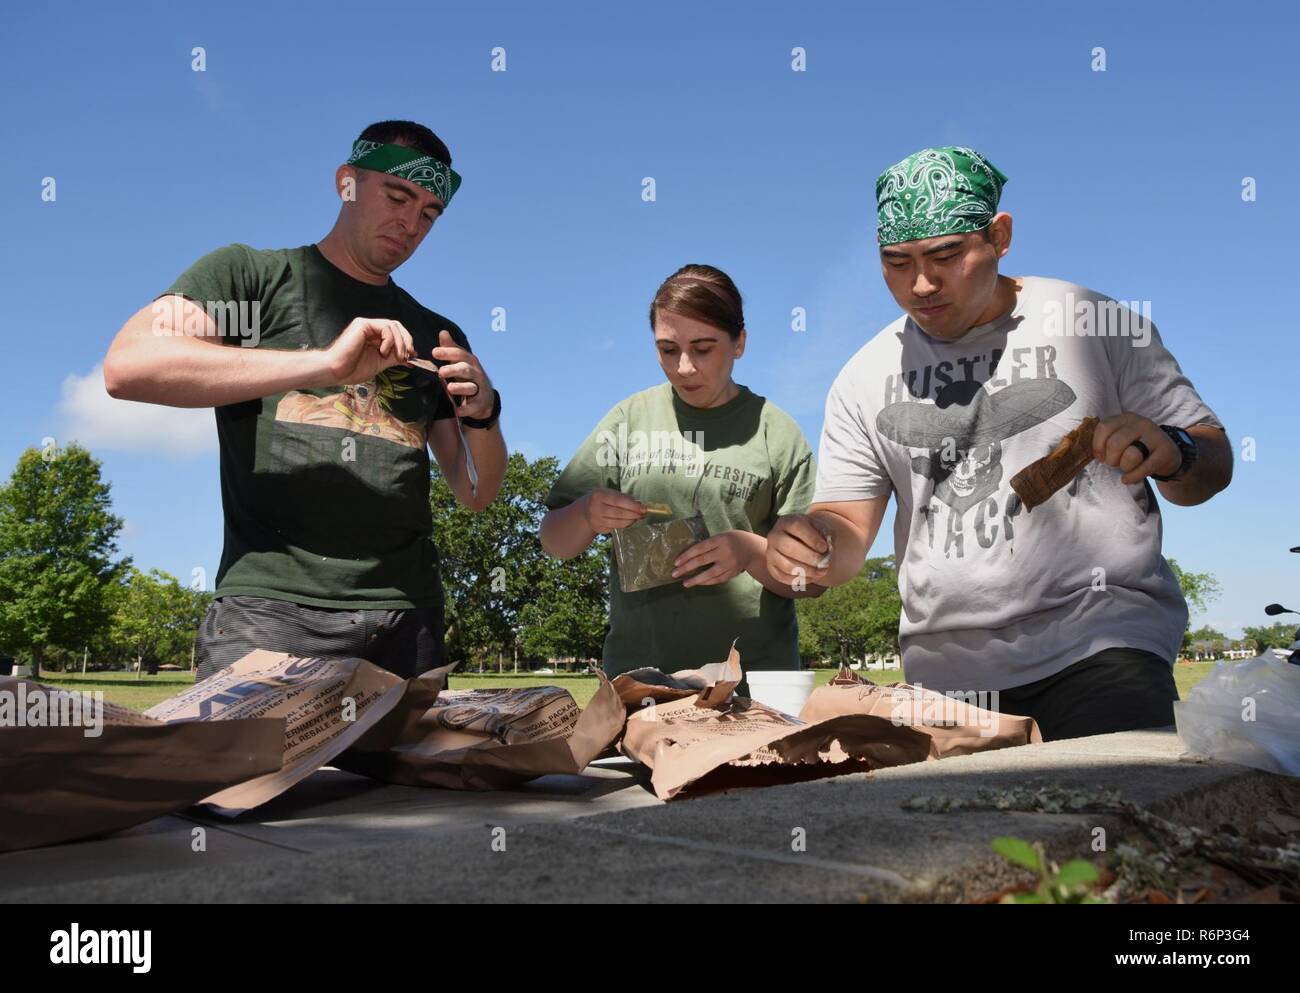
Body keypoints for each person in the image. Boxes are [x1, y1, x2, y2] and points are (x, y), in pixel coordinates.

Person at [766, 146, 1232, 740]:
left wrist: (1176, 450)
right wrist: (814, 545)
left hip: (1102, 644)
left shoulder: (1094, 321)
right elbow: (847, 530)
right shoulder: (862, 376)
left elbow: (1212, 461)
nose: (922, 284)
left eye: (946, 255)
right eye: (896, 262)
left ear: (1000, 236)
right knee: (953, 834)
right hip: (944, 673)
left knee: (1117, 824)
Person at [103, 120, 506, 680]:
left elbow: (476, 491)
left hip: (407, 617)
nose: (411, 223)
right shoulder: (250, 277)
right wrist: (326, 364)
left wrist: (485, 413)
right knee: (248, 773)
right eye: (397, 196)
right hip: (270, 609)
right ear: (347, 183)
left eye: (430, 214)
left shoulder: (436, 331)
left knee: (409, 775)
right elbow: (130, 365)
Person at [540, 264, 821, 681]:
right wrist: (584, 514)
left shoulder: (777, 433)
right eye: (668, 350)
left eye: (703, 348)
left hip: (753, 687)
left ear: (739, 342)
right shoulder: (627, 420)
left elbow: (812, 581)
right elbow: (553, 541)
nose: (684, 367)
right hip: (640, 682)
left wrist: (750, 551)